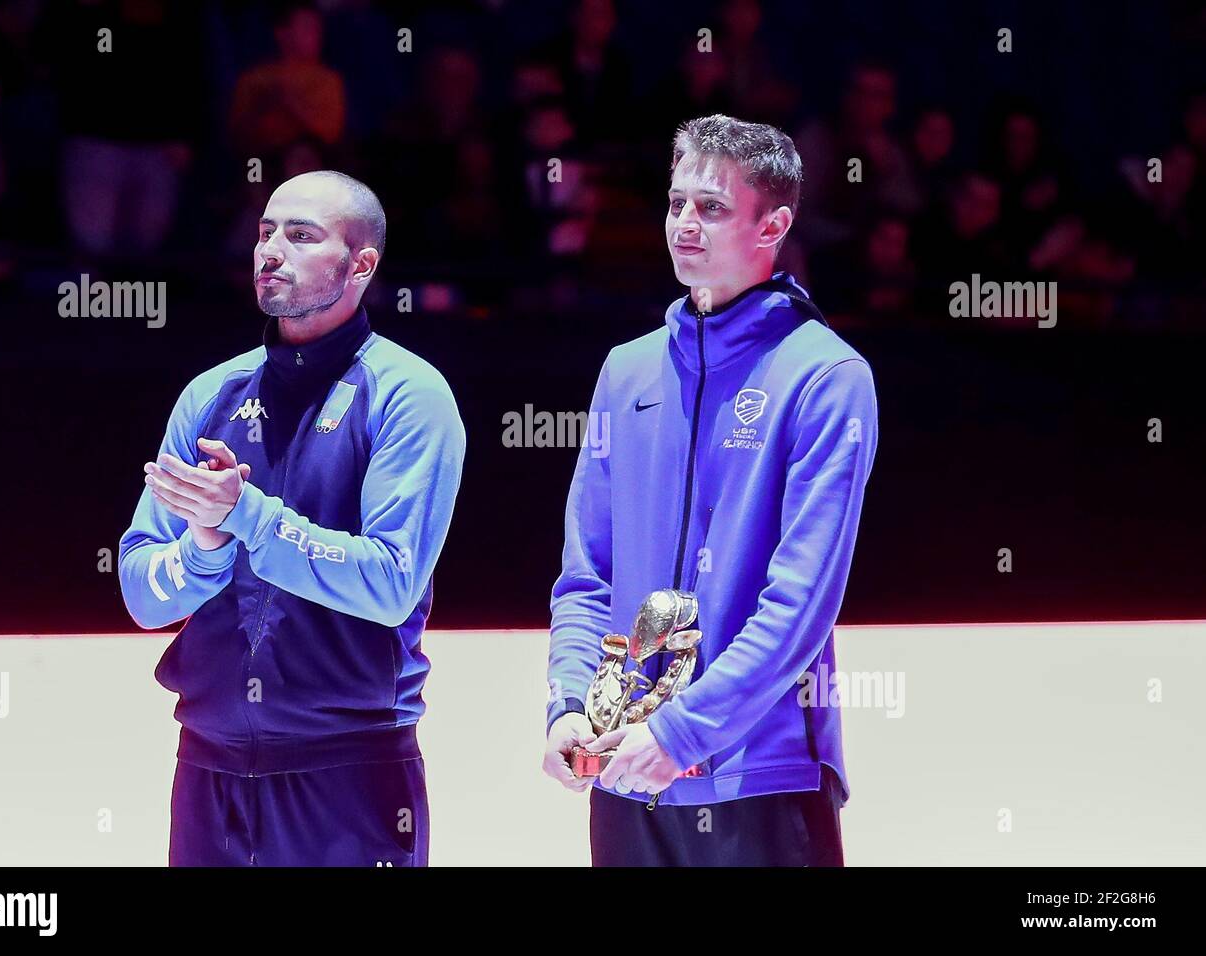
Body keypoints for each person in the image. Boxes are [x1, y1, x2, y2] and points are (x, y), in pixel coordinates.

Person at [543, 115, 879, 866]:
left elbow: (800, 605)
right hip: (628, 776)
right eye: (675, 203)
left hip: (760, 779)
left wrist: (681, 733)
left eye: (713, 208)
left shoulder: (826, 377)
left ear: (775, 225)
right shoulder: (625, 372)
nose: (685, 225)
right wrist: (568, 704)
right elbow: (585, 574)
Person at [119, 170, 466, 866]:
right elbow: (140, 593)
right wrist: (205, 549)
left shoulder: (408, 395)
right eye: (264, 231)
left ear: (361, 264)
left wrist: (249, 517)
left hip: (350, 777)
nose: (270, 250)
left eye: (301, 235)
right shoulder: (211, 394)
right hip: (208, 772)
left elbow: (392, 582)